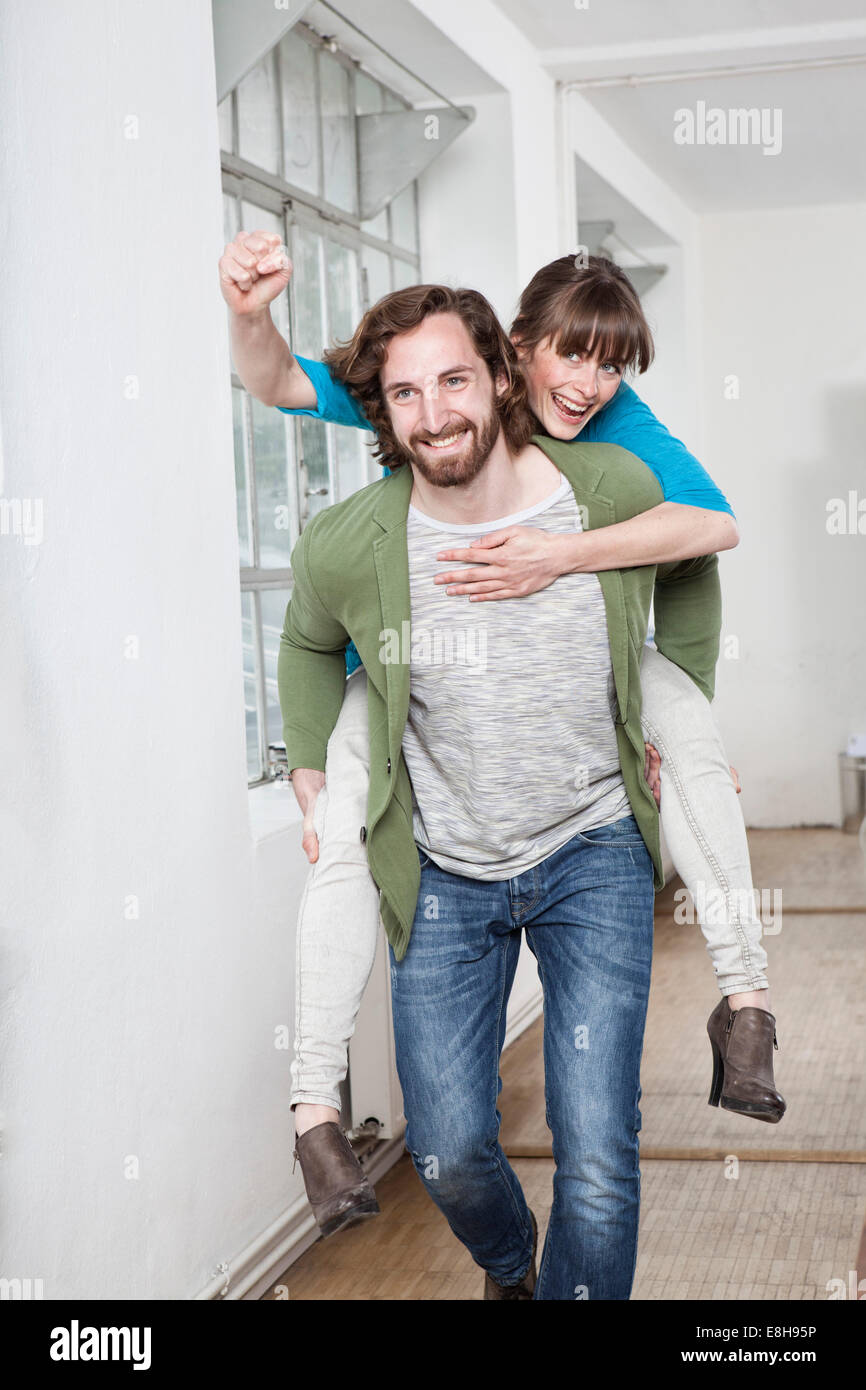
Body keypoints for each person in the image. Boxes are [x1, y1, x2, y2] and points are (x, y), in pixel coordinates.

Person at [217, 235, 785, 1253]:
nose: (587, 381)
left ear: (491, 368)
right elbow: (277, 385)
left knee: (599, 1150)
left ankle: (745, 1006)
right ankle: (489, 1246)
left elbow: (705, 535)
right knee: (445, 1144)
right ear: (519, 349)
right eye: (568, 356)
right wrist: (250, 311)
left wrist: (656, 680)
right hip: (445, 859)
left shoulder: (609, 449)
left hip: (590, 841)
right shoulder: (410, 431)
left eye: (607, 362)